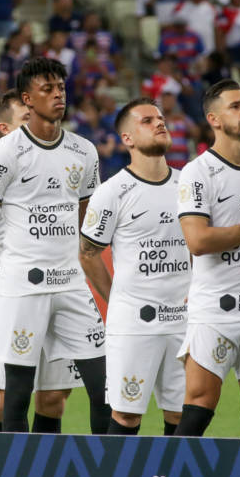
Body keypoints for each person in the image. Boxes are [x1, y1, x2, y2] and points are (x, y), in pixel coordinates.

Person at [0, 57, 109, 434]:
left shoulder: (84, 151)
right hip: (23, 285)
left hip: (71, 284)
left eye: (60, 87)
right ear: (27, 100)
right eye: (47, 89)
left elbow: (87, 222)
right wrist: (0, 280)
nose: (57, 95)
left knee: (104, 389)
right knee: (14, 395)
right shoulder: (6, 152)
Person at [79, 97, 190, 436]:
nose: (160, 123)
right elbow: (87, 253)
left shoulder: (189, 185)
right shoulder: (113, 192)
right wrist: (119, 301)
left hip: (184, 320)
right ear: (127, 139)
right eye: (147, 120)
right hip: (133, 323)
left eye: (160, 118)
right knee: (126, 416)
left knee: (181, 414)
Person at [174, 79, 240, 437]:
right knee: (199, 404)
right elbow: (197, 240)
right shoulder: (198, 173)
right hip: (215, 310)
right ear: (213, 119)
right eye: (235, 106)